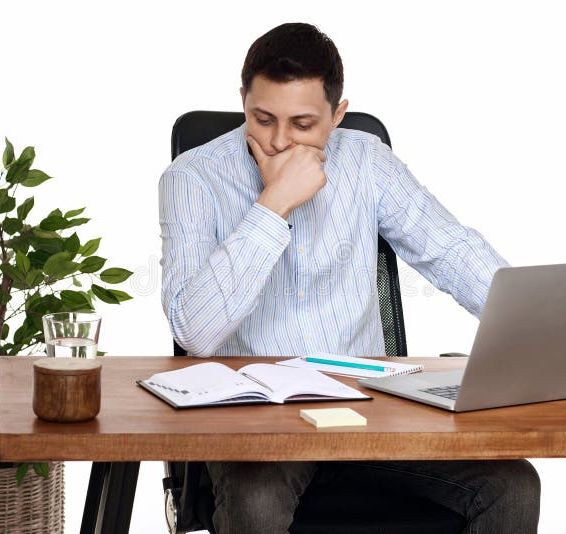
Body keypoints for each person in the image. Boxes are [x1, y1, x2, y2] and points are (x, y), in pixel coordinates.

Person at [159, 22, 540, 534]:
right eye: (263, 118)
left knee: (513, 485)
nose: (278, 141)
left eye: (302, 124)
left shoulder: (367, 160)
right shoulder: (191, 178)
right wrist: (273, 206)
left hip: (366, 411)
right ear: (243, 100)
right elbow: (195, 333)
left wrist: (535, 326)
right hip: (255, 425)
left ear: (336, 115)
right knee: (257, 502)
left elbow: (450, 249)